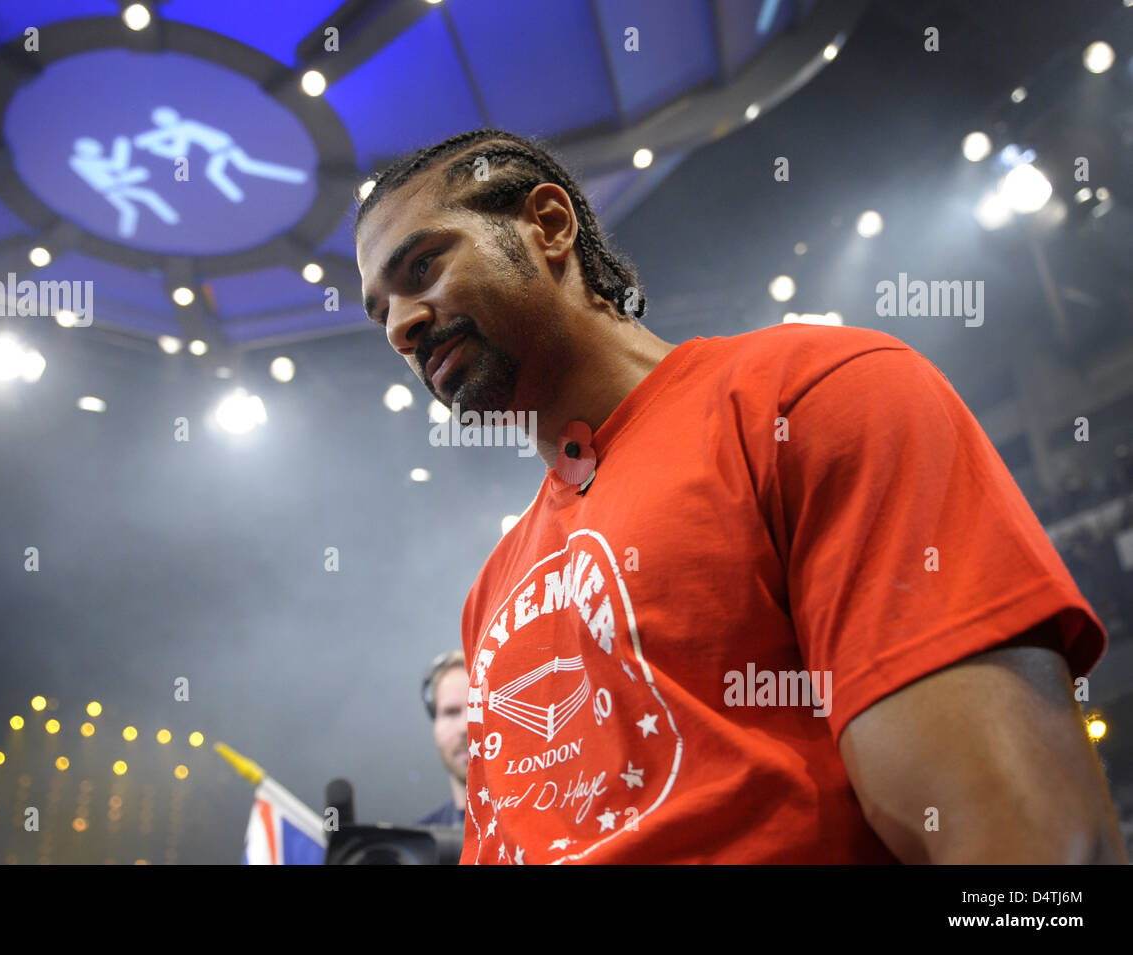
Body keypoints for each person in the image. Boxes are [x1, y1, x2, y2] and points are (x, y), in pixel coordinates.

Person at [354, 128, 1128, 865]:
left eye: (421, 267)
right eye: (380, 309)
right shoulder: (491, 594)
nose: (401, 326)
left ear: (549, 225)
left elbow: (1031, 848)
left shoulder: (814, 397)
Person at [417, 650, 468, 826]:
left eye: (478, 709)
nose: (465, 727)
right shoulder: (423, 845)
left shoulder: (543, 826)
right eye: (451, 713)